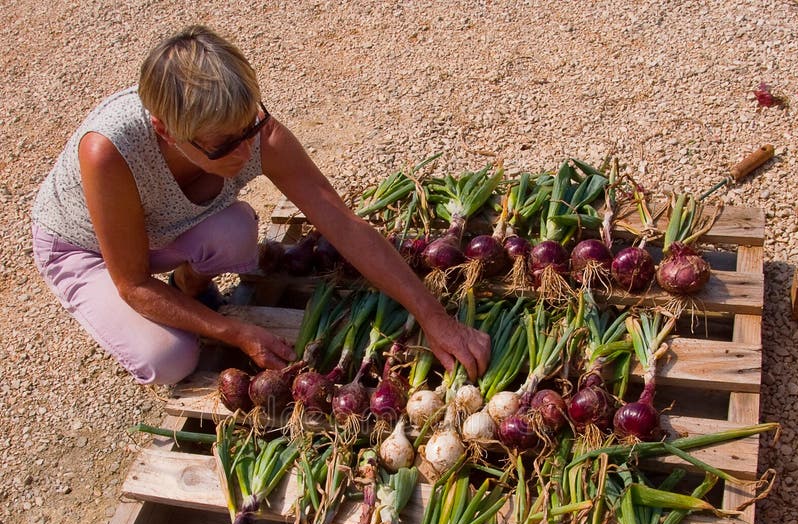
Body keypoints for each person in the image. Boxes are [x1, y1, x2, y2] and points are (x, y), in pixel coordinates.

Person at [30, 24, 490, 387]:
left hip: (166, 230)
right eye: (219, 147)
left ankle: (187, 285)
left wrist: (434, 316)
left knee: (236, 234)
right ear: (166, 131)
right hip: (86, 249)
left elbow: (343, 224)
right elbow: (131, 282)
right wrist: (235, 332)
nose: (241, 153)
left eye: (248, 130)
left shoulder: (255, 132)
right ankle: (181, 306)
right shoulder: (109, 150)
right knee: (169, 358)